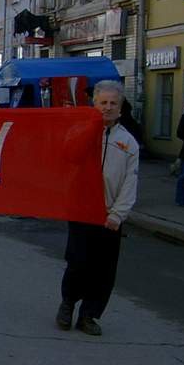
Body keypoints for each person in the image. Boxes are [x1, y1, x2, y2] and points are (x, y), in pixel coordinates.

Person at [56, 80, 138, 337]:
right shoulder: (80, 130)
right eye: (103, 103)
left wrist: (118, 214)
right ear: (94, 104)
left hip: (109, 214)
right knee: (78, 261)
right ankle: (68, 303)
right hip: (81, 210)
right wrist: (88, 132)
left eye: (113, 103)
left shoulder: (128, 142)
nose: (108, 108)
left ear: (121, 107)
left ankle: (89, 315)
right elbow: (67, 159)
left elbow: (130, 182)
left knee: (103, 269)